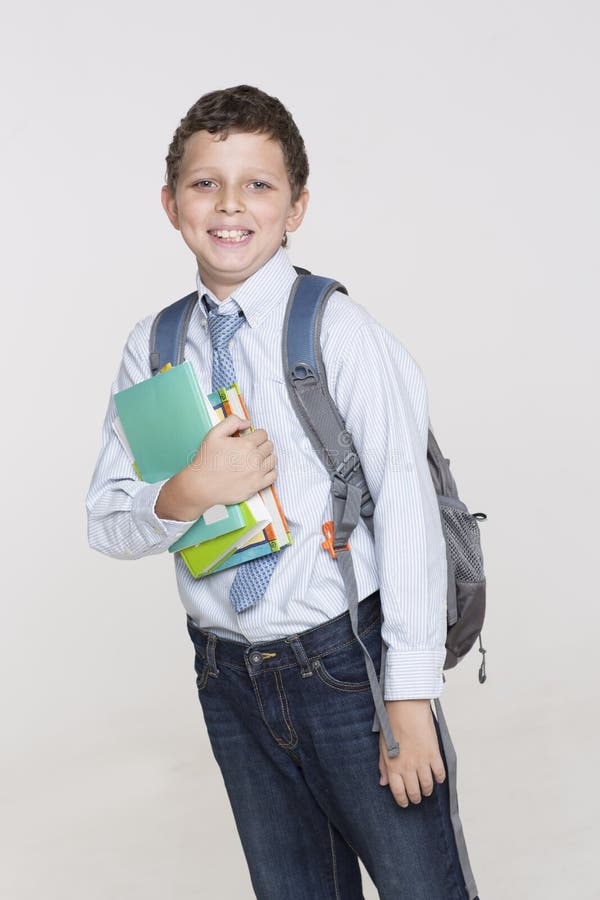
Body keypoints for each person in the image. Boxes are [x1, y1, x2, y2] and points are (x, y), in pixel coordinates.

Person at [86, 84, 479, 900]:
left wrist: (408, 695)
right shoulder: (155, 346)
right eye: (205, 183)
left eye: (258, 184)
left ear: (296, 205)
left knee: (422, 886)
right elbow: (108, 521)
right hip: (228, 676)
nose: (230, 205)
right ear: (170, 204)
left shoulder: (338, 332)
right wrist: (188, 491)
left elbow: (406, 506)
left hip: (348, 665)